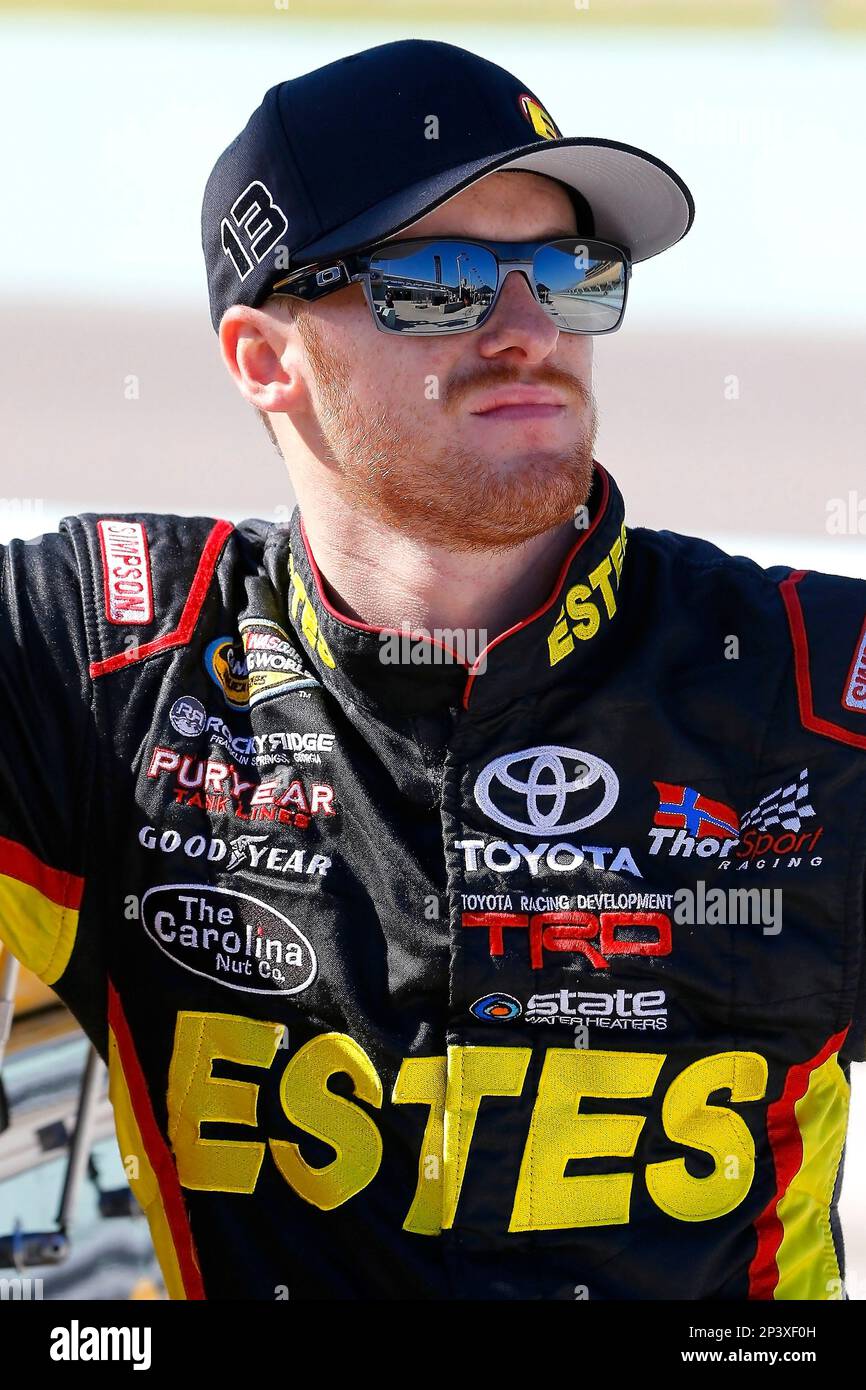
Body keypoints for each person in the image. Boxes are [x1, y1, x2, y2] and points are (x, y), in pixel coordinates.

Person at [1, 36, 865, 1303]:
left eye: (567, 274)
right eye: (440, 281)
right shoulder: (102, 659)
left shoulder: (815, 683)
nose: (527, 331)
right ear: (264, 359)